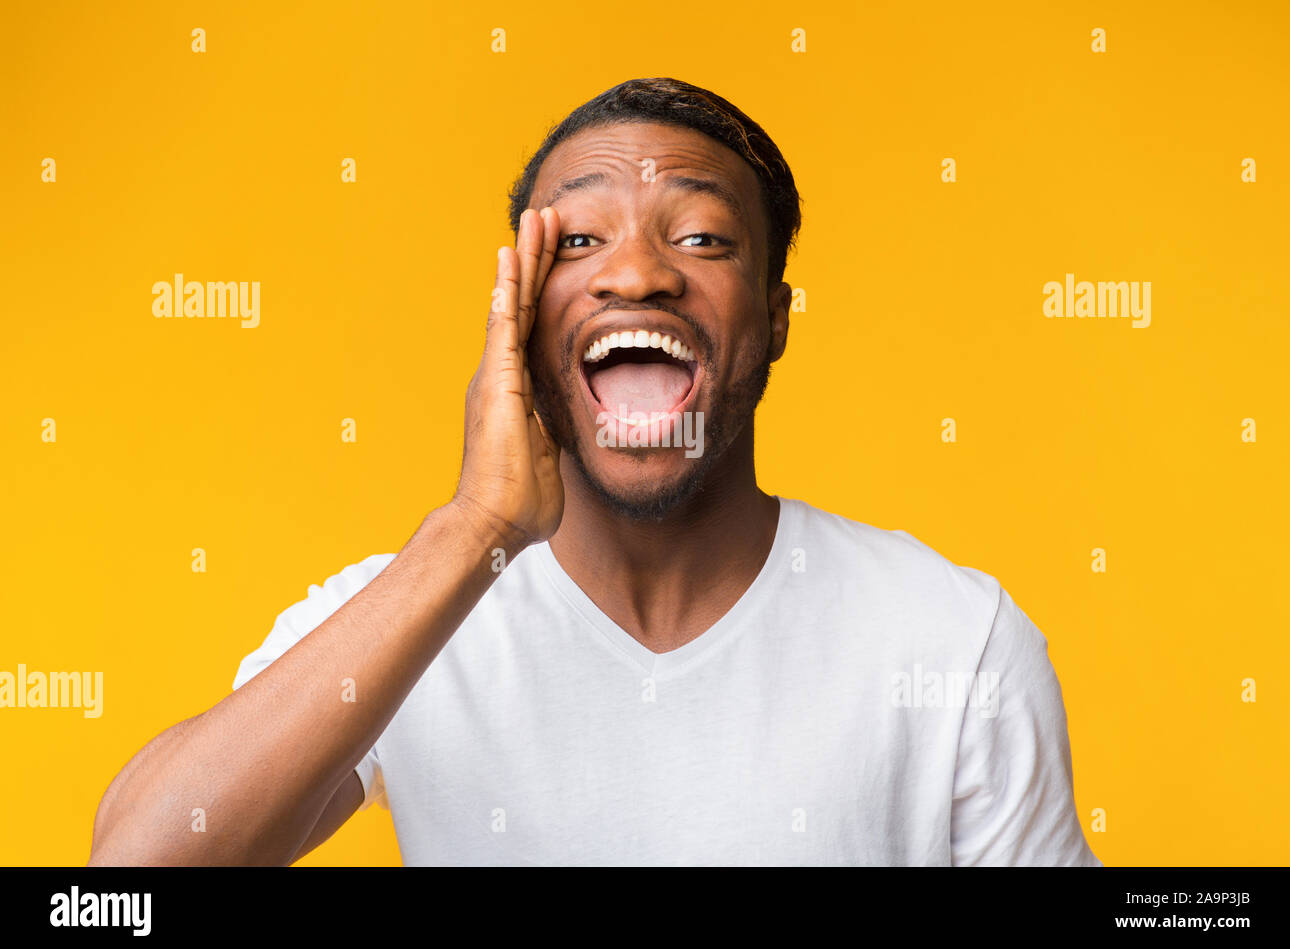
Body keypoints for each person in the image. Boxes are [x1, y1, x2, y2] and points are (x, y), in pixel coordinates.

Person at [88, 77, 1101, 866]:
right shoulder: (413, 615)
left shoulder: (950, 637)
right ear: (521, 317)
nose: (636, 271)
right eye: (577, 240)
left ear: (776, 319)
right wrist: (472, 530)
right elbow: (130, 875)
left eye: (702, 238)